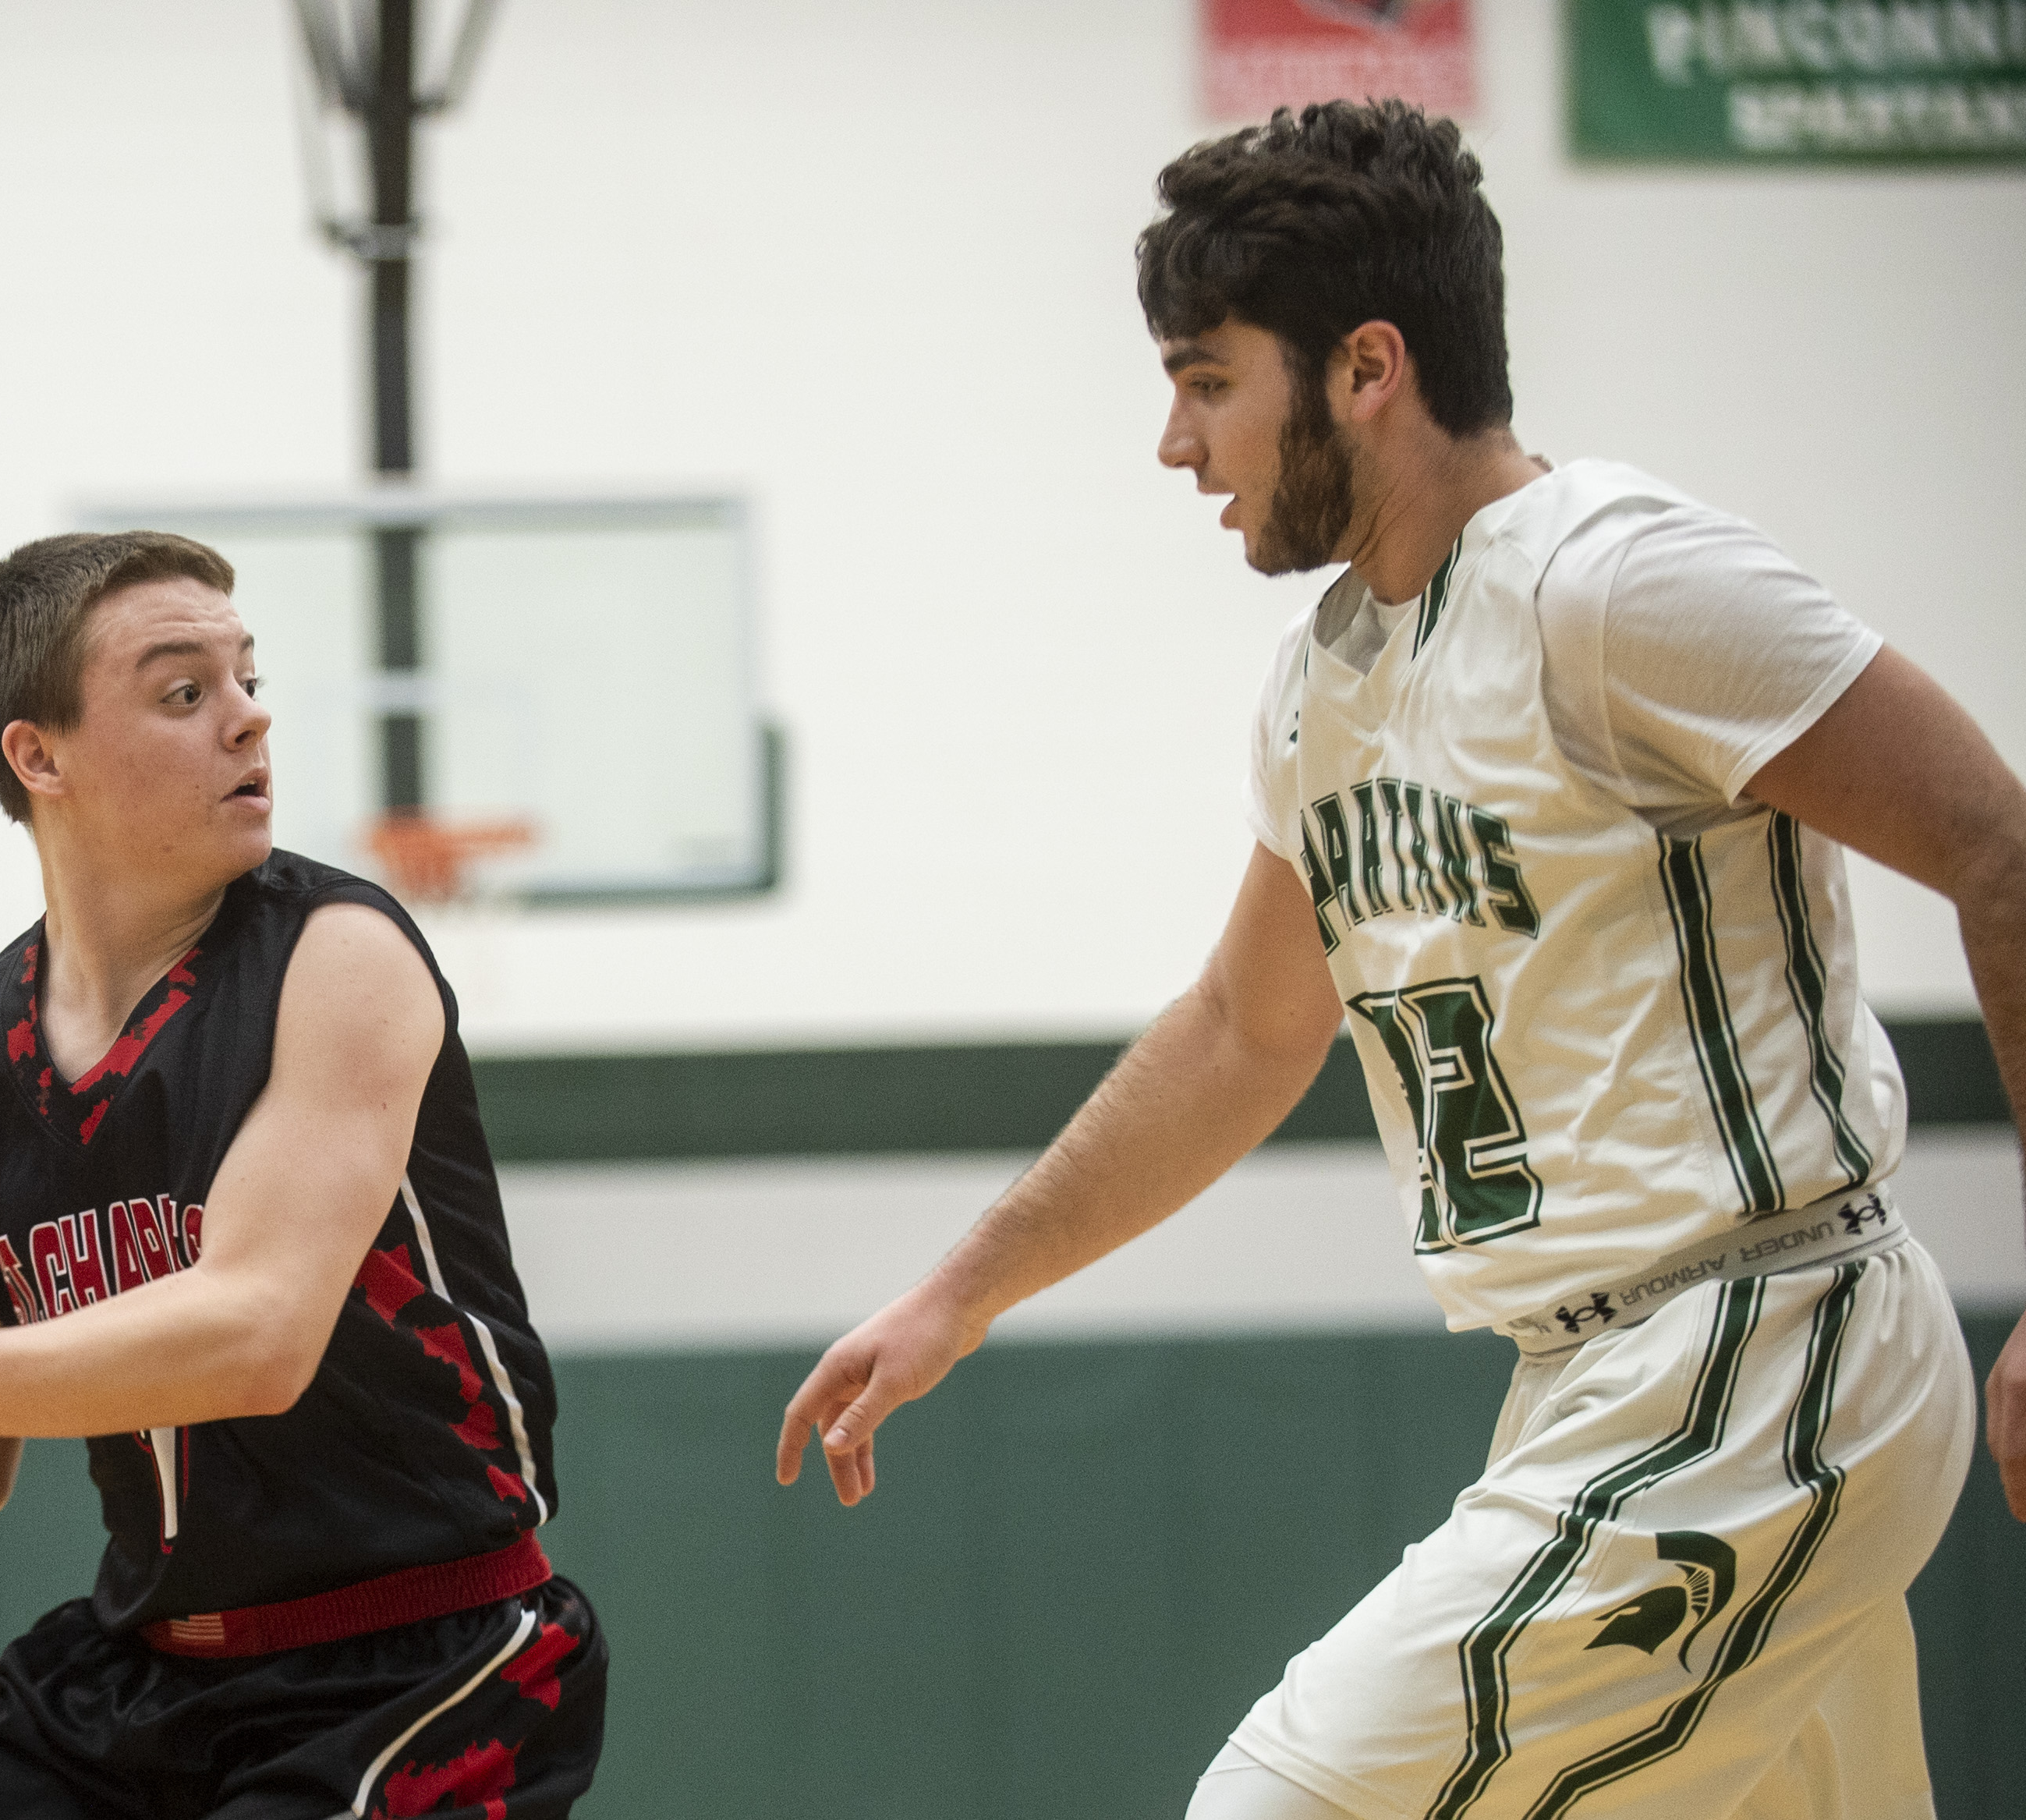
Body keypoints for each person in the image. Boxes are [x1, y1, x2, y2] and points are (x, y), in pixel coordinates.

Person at [777, 101, 2025, 1819]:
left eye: (1205, 379)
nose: (1172, 442)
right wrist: (955, 1295)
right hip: (1590, 1382)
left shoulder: (1613, 581)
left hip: (1761, 1347)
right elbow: (1237, 1030)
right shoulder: (1321, 685)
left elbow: (1999, 847)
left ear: (1364, 367)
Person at [0, 531, 605, 1819]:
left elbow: (257, 1331)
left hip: (429, 1659)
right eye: (186, 691)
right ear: (40, 756)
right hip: (145, 1677)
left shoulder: (338, 956)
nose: (250, 719)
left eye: (247, 679)